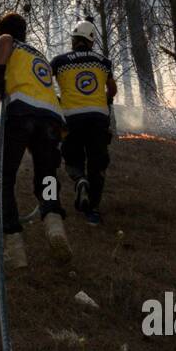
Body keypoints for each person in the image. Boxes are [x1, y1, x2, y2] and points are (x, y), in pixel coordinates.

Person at [0, 11, 70, 270]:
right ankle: (54, 224)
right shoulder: (37, 55)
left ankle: (14, 247)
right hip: (51, 116)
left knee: (3, 177)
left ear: (6, 30)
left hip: (22, 112)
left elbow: (2, 44)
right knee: (46, 176)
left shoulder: (8, 41)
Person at [51, 19, 118, 225]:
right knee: (97, 163)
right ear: (91, 41)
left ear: (74, 41)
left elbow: (44, 82)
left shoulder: (59, 61)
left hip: (70, 117)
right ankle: (93, 211)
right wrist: (104, 100)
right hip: (98, 118)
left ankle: (80, 180)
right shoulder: (103, 61)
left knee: (72, 157)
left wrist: (57, 101)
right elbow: (112, 89)